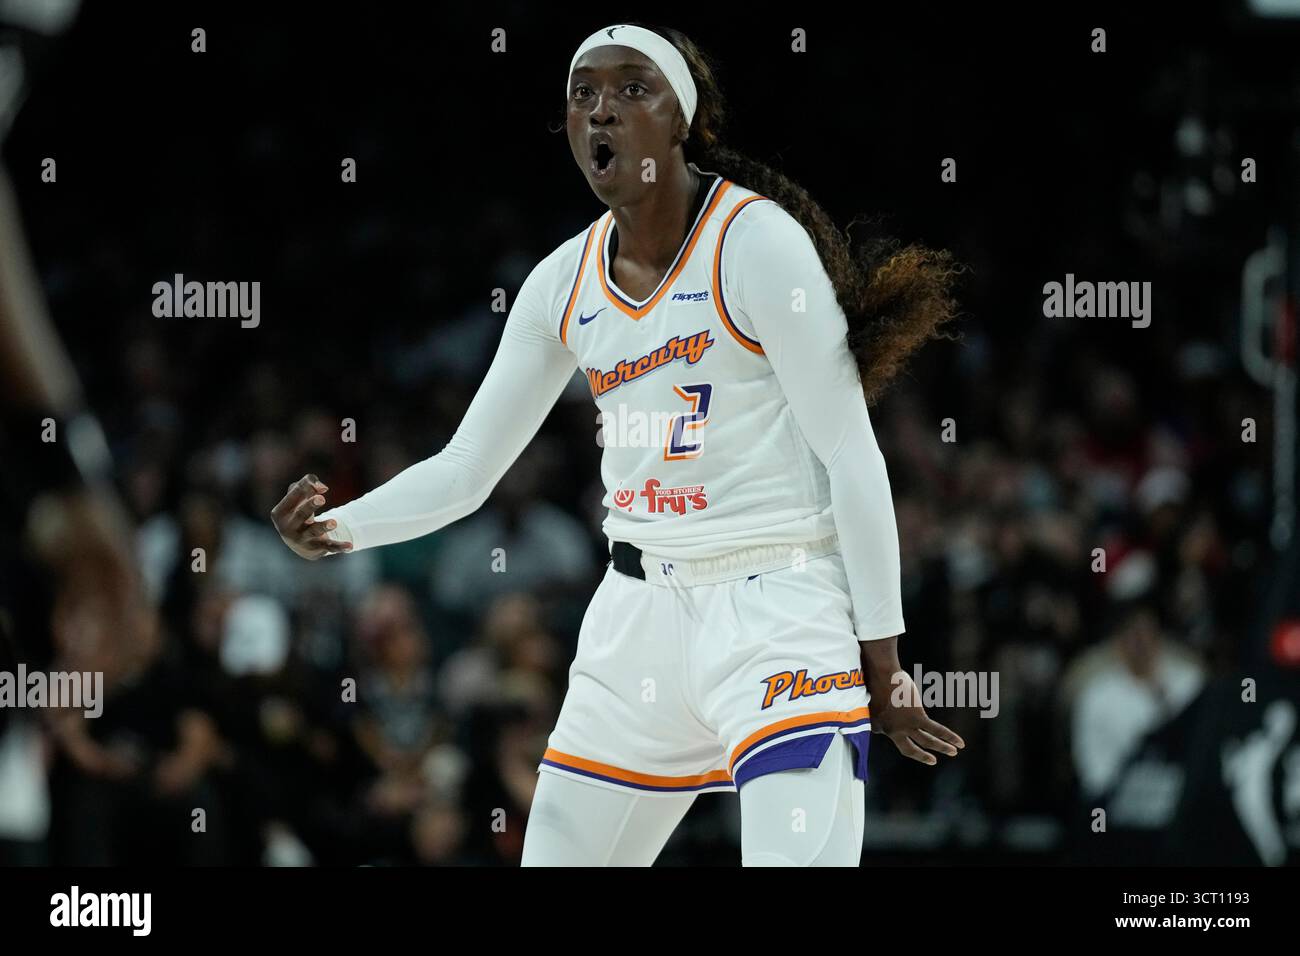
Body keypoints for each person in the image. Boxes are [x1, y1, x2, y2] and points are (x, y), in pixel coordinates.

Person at [272, 22, 965, 866]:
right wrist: (342, 527)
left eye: (633, 88)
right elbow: (465, 471)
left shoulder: (757, 245)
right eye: (582, 93)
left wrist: (882, 657)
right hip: (636, 615)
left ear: (682, 120)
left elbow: (853, 456)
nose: (602, 109)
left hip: (778, 603)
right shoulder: (562, 281)